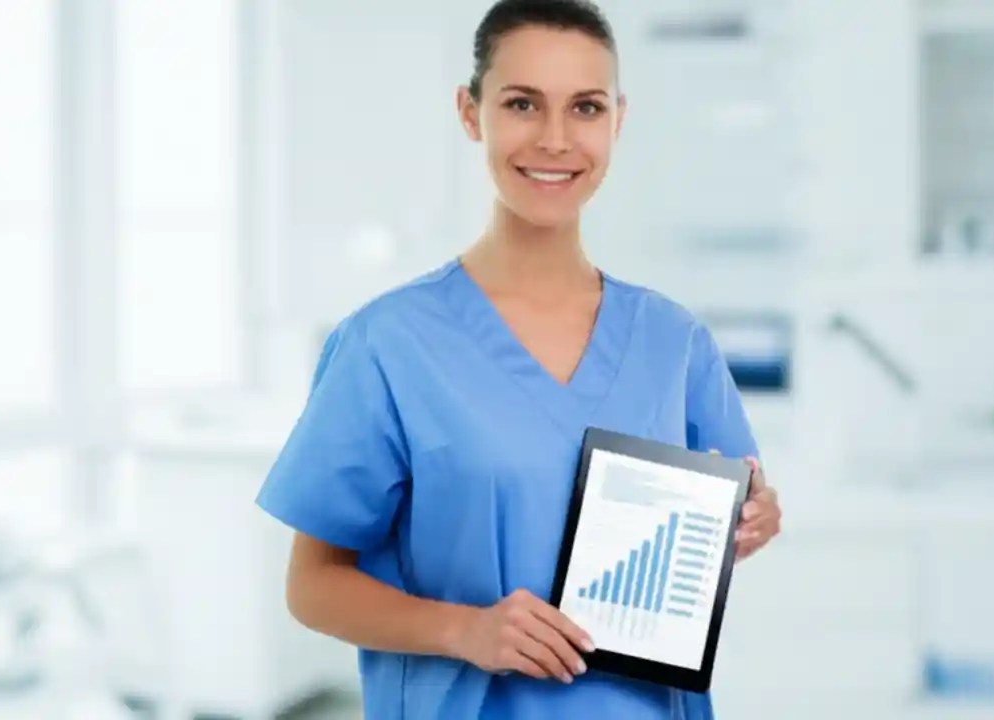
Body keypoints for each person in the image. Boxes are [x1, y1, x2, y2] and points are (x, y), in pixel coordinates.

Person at [255, 1, 782, 717]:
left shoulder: (673, 341)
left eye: (586, 107)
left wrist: (750, 522)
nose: (556, 138)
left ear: (617, 122)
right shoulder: (388, 344)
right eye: (523, 104)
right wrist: (465, 629)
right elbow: (311, 585)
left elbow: (715, 530)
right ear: (471, 113)